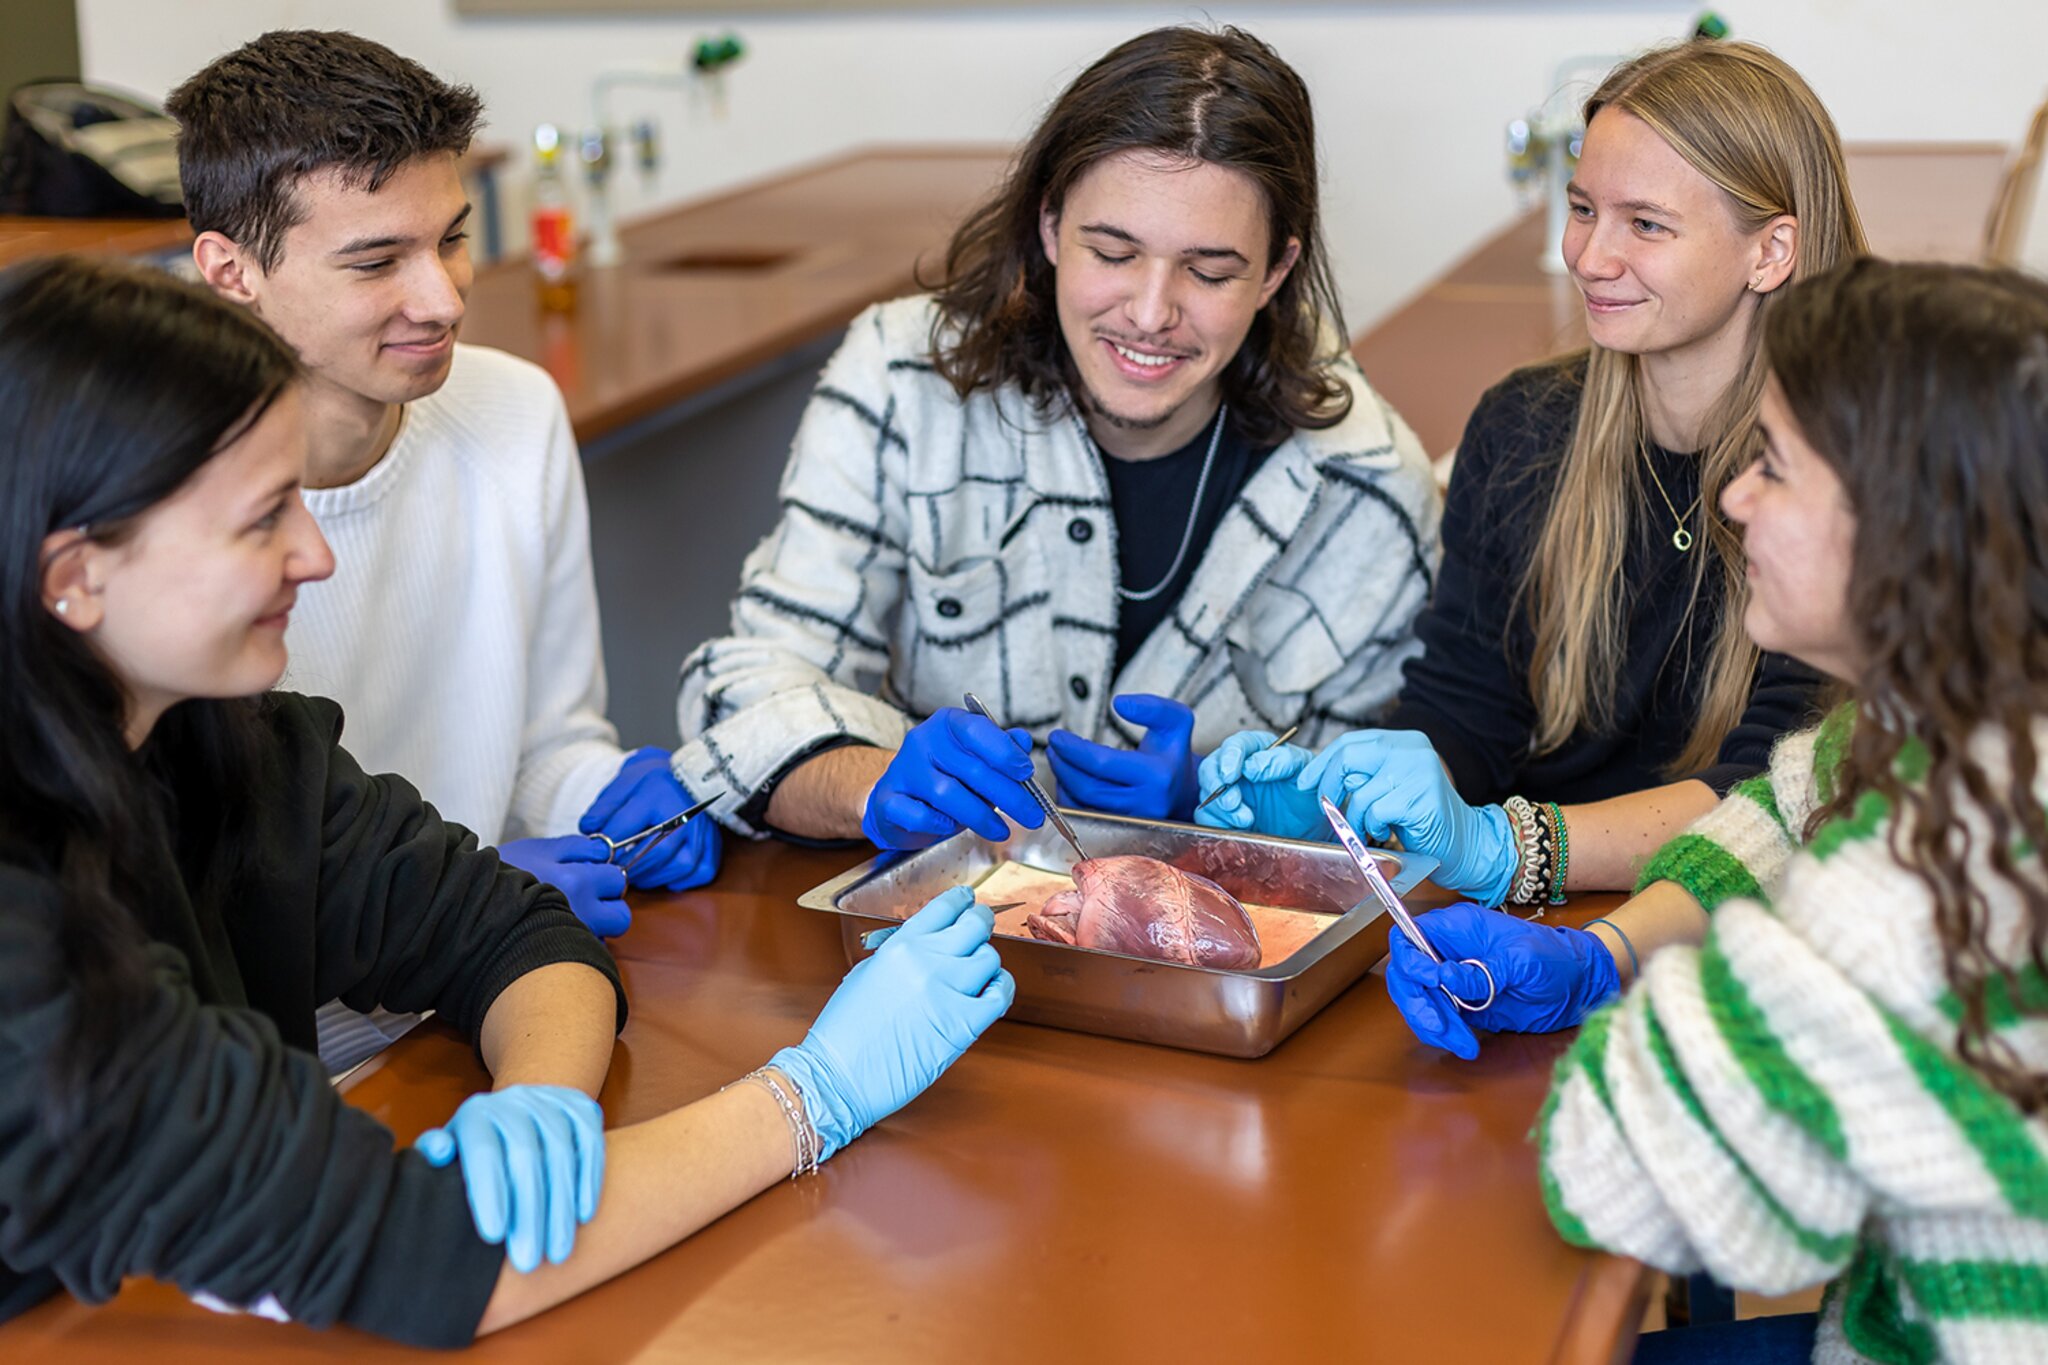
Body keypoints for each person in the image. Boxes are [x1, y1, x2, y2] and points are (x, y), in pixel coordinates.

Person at [0, 255, 1013, 1347]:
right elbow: (436, 1262)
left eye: (300, 497)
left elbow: (508, 927)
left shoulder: (214, 733)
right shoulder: (20, 931)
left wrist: (539, 1107)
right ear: (74, 575)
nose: (314, 554)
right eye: (260, 521)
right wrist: (814, 1094)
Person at [1474, 261, 2048, 1361]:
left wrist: (1666, 1005)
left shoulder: (1914, 897)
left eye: (1774, 469)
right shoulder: (1973, 725)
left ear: (1907, 533)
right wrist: (1606, 951)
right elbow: (1786, 806)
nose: (1733, 499)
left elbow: (1615, 1173)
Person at [673, 25, 1438, 847]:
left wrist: (1222, 805)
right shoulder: (901, 381)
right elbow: (740, 690)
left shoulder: (1367, 489)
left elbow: (1386, 821)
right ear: (1049, 226)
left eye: (1209, 272)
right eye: (1112, 253)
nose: (1151, 313)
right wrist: (870, 781)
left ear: (1275, 273)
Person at [1198, 40, 1862, 911]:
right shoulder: (1525, 428)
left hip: (1715, 916)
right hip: (1524, 915)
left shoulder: (1838, 470)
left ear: (1770, 252)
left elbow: (1775, 797)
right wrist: (1350, 802)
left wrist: (1508, 847)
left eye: (1646, 224)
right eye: (1583, 208)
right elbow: (1466, 710)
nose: (1590, 256)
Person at [168, 31, 719, 955]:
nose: (445, 300)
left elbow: (542, 746)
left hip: (496, 967)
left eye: (452, 239)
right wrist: (454, 899)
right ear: (231, 272)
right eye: (376, 262)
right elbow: (186, 890)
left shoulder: (515, 413)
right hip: (289, 1017)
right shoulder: (147, 507)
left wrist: (606, 793)